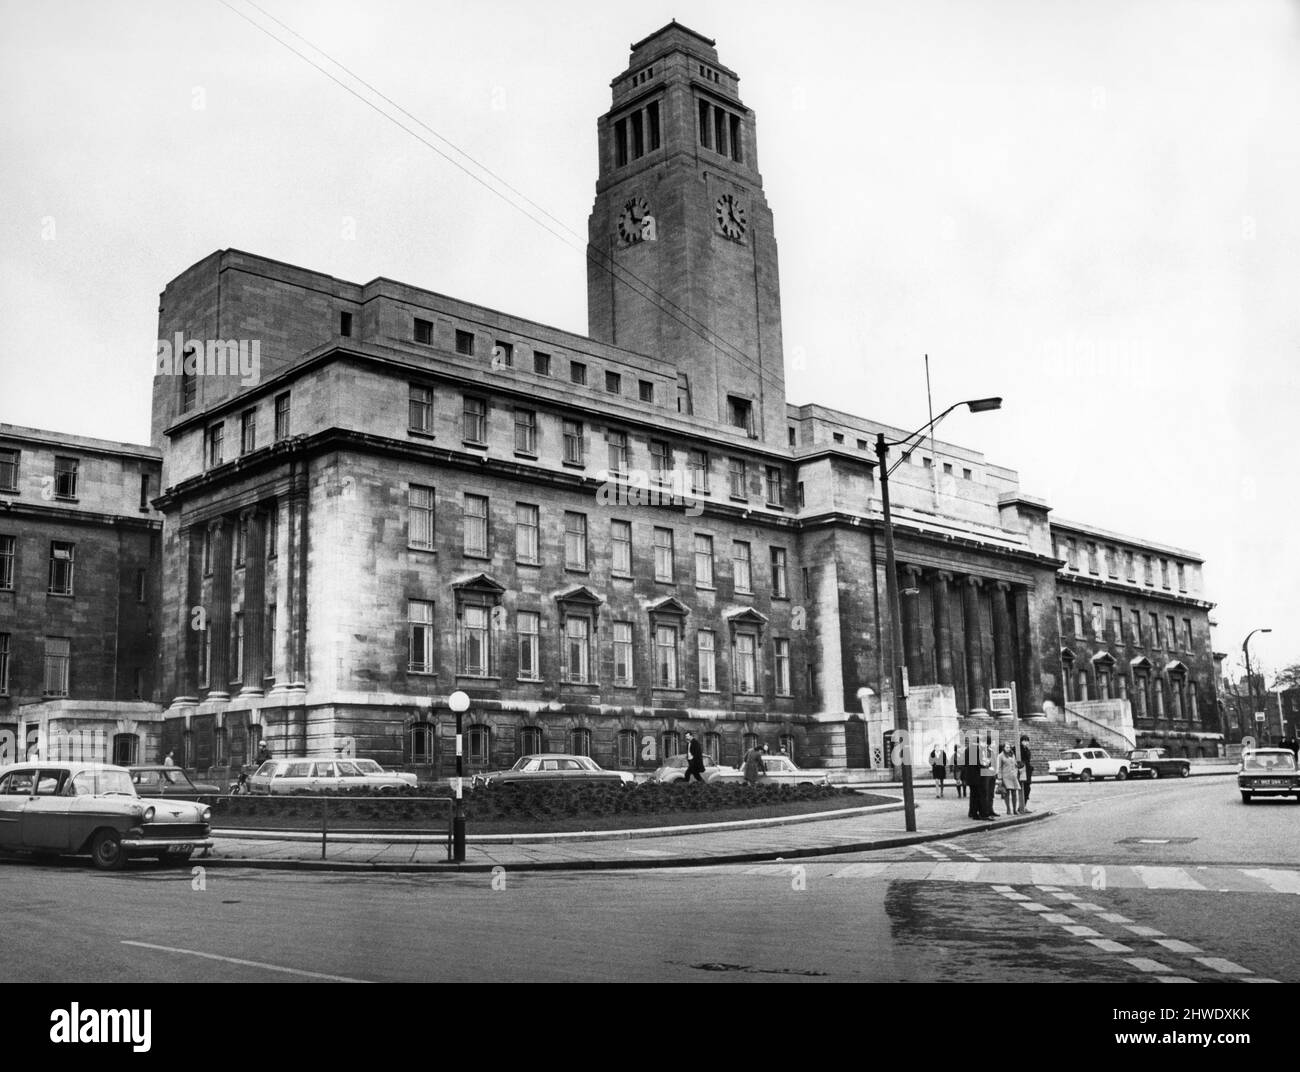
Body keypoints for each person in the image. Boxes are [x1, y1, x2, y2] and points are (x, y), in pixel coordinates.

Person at [977, 736, 998, 820]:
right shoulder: (980, 751)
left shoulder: (991, 751)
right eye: (985, 743)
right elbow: (981, 763)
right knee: (985, 793)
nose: (986, 745)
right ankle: (985, 812)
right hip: (984, 774)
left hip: (992, 774)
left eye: (987, 743)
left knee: (991, 793)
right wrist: (987, 766)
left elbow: (994, 762)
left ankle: (990, 809)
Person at [997, 743, 1021, 815]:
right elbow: (999, 767)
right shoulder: (1000, 756)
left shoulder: (1012, 755)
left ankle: (1014, 809)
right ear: (1003, 748)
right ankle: (1008, 809)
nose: (1008, 749)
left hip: (1013, 776)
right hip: (1005, 776)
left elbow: (1015, 764)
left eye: (1009, 747)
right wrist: (1000, 778)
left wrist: (1018, 766)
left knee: (1014, 793)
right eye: (1007, 747)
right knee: (1006, 793)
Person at [1017, 735, 1033, 814]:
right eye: (1024, 740)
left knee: (1027, 789)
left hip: (1027, 771)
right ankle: (1021, 807)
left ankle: (1023, 806)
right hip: (1022, 771)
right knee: (1023, 789)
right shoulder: (1019, 749)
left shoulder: (1027, 749)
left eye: (1027, 740)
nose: (1026, 742)